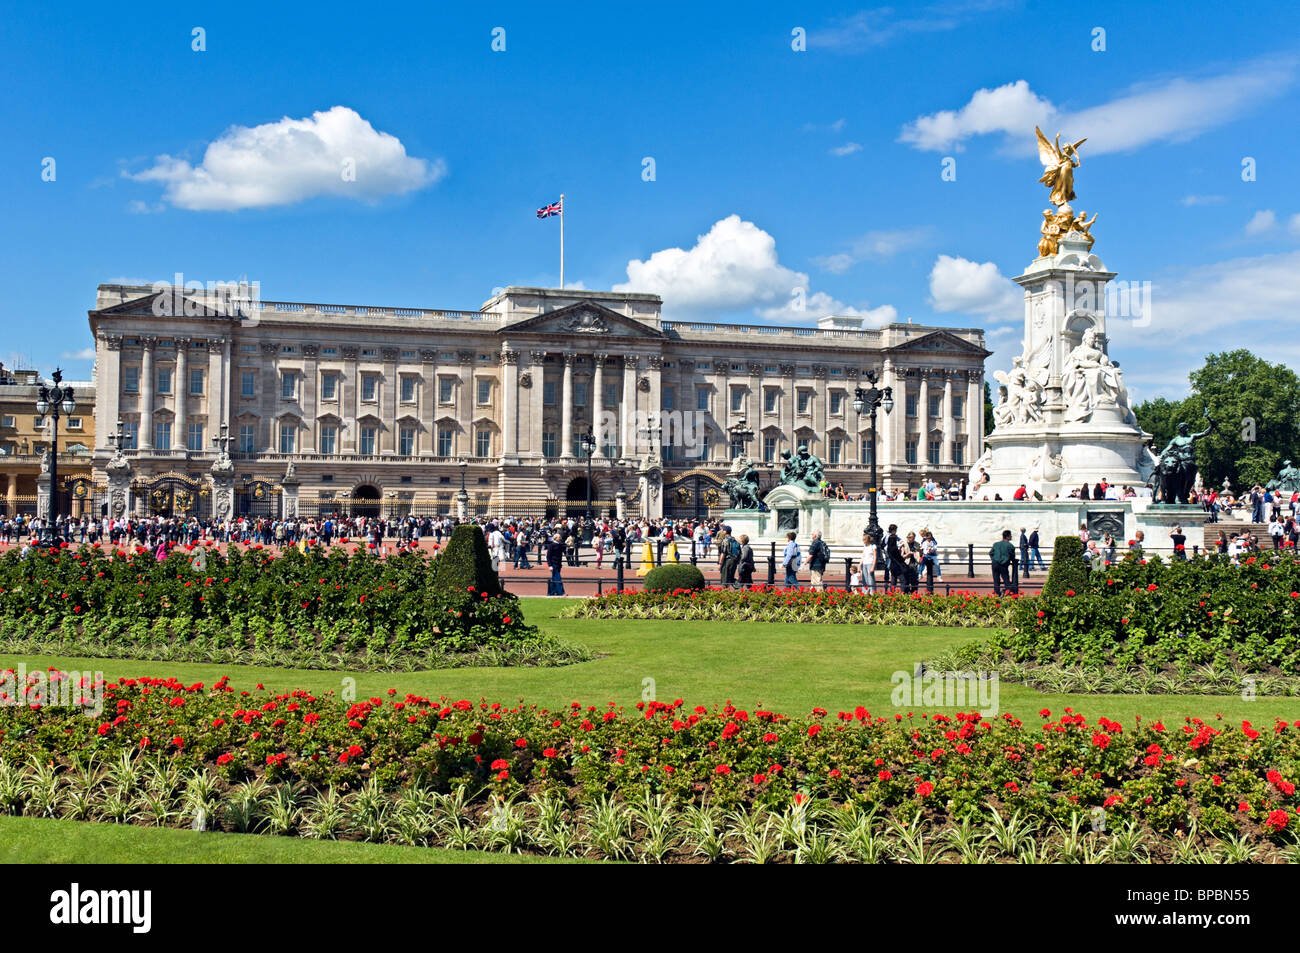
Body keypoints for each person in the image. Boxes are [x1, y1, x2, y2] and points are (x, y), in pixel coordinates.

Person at [990, 530, 1016, 595]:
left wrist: (994, 559)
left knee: (996, 579)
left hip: (995, 563)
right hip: (1003, 564)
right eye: (1010, 535)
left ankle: (997, 593)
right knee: (1006, 579)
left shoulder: (996, 544)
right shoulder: (1010, 545)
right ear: (1007, 537)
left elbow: (991, 553)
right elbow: (1012, 556)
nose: (1011, 536)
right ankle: (1008, 593)